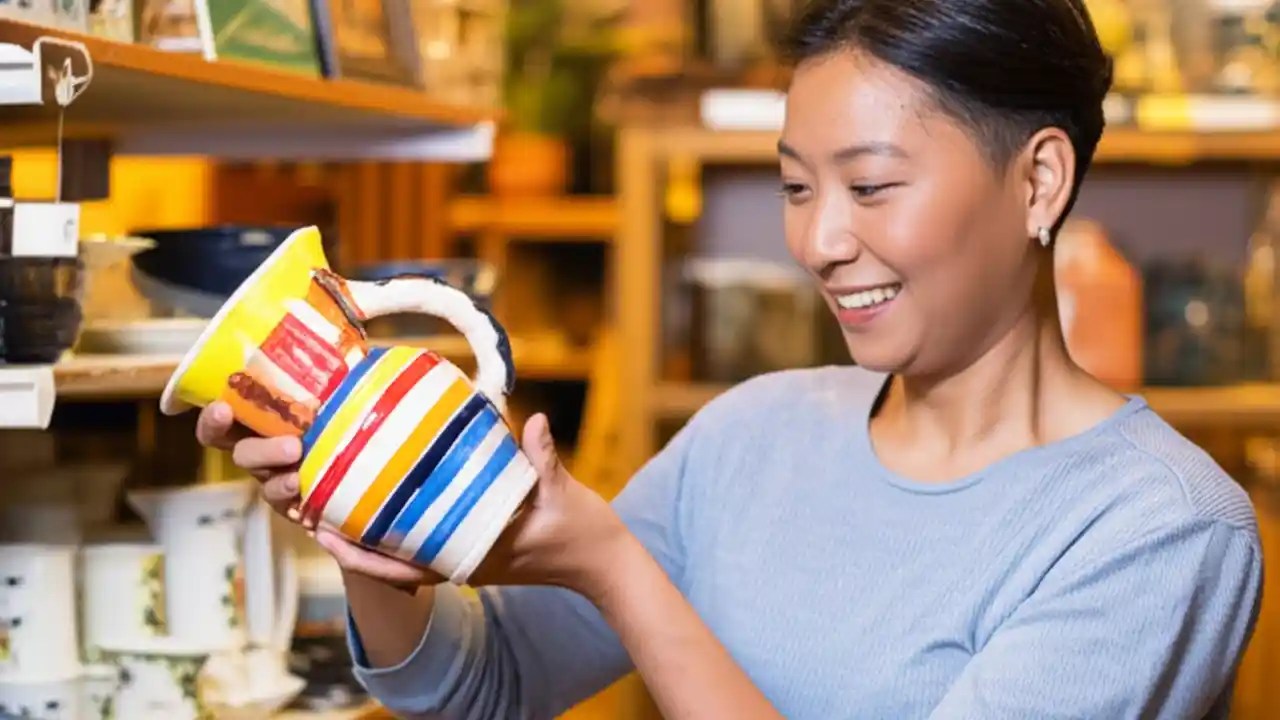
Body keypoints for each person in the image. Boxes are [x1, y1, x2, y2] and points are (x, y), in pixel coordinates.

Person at [196, 0, 1264, 717]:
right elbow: (485, 687)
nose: (818, 241)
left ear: (1036, 182)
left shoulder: (1158, 528)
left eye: (871, 186)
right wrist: (363, 520)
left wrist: (619, 570)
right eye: (796, 188)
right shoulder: (753, 435)